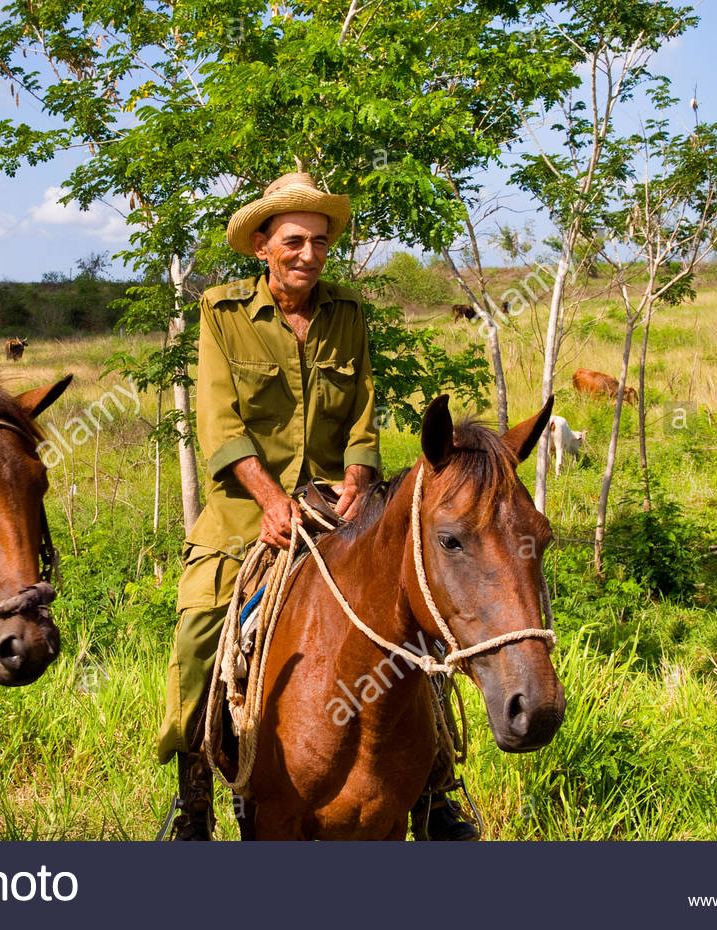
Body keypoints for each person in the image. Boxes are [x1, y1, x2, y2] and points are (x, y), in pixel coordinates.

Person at [156, 171, 478, 841]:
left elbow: (362, 411)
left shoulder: (346, 316)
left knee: (418, 620)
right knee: (196, 636)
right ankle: (193, 800)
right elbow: (219, 424)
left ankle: (438, 785)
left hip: (341, 508)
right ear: (262, 246)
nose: (309, 254)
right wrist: (271, 500)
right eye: (294, 241)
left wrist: (361, 473)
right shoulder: (220, 316)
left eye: (320, 243)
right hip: (248, 515)